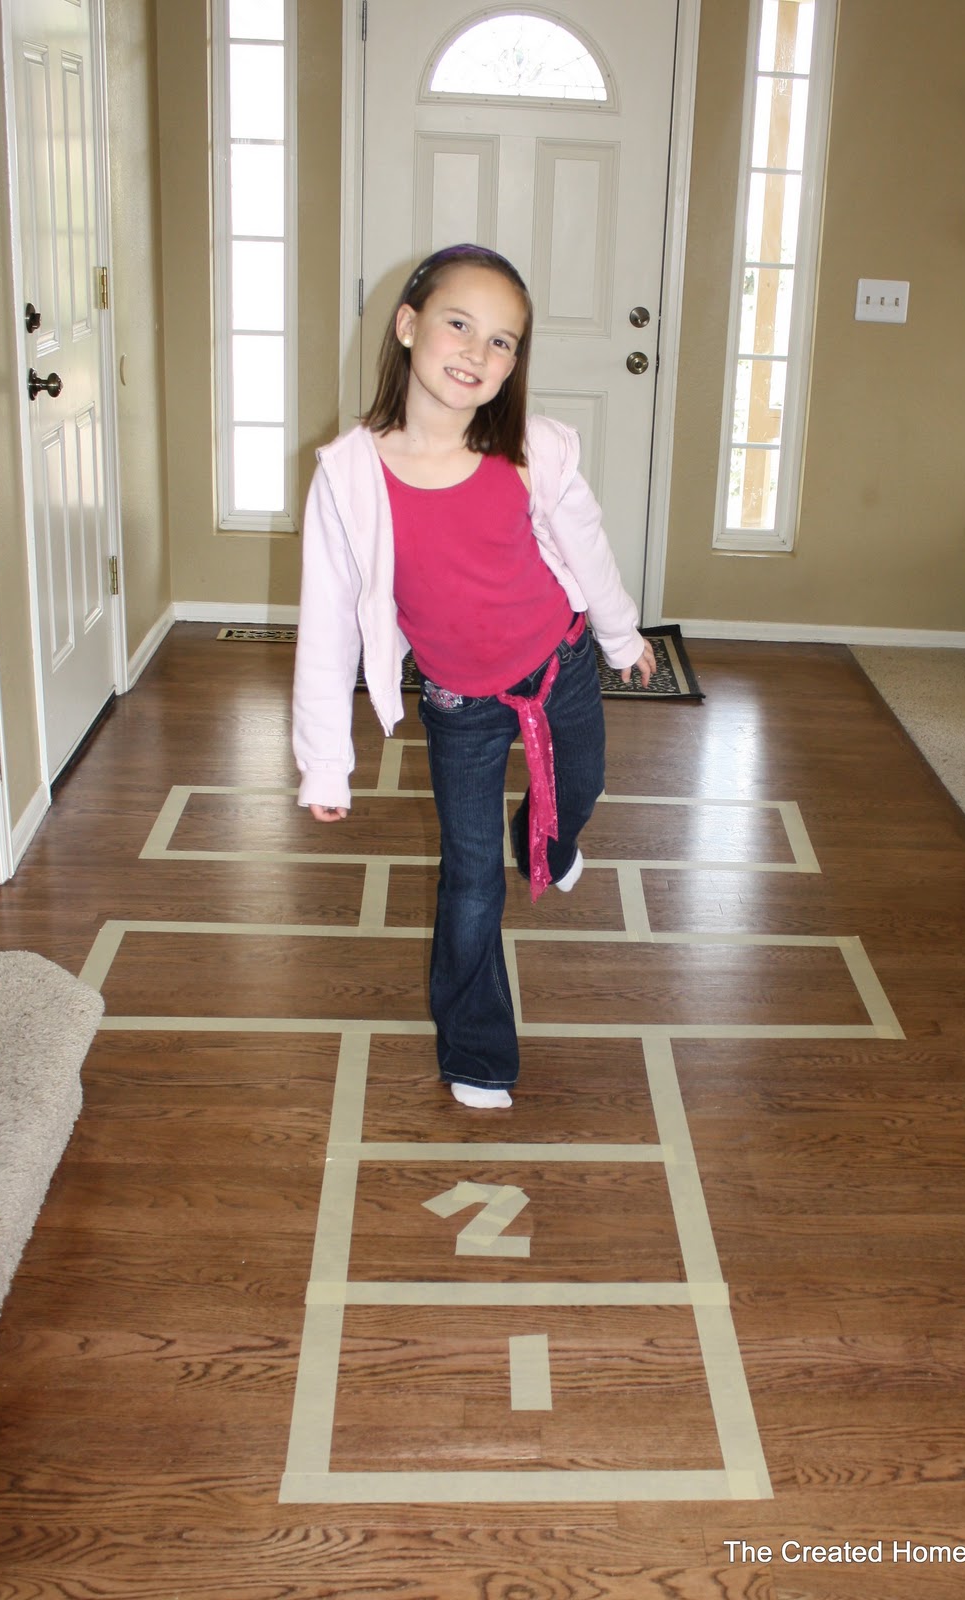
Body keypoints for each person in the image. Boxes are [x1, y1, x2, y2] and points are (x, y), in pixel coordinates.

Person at [292, 244, 655, 1109]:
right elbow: (327, 624)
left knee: (581, 789)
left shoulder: (532, 452)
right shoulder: (349, 480)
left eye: (504, 342)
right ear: (409, 326)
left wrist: (620, 637)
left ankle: (555, 842)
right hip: (460, 705)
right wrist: (324, 762)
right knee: (469, 878)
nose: (478, 353)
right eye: (460, 324)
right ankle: (478, 1051)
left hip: (558, 664)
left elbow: (587, 549)